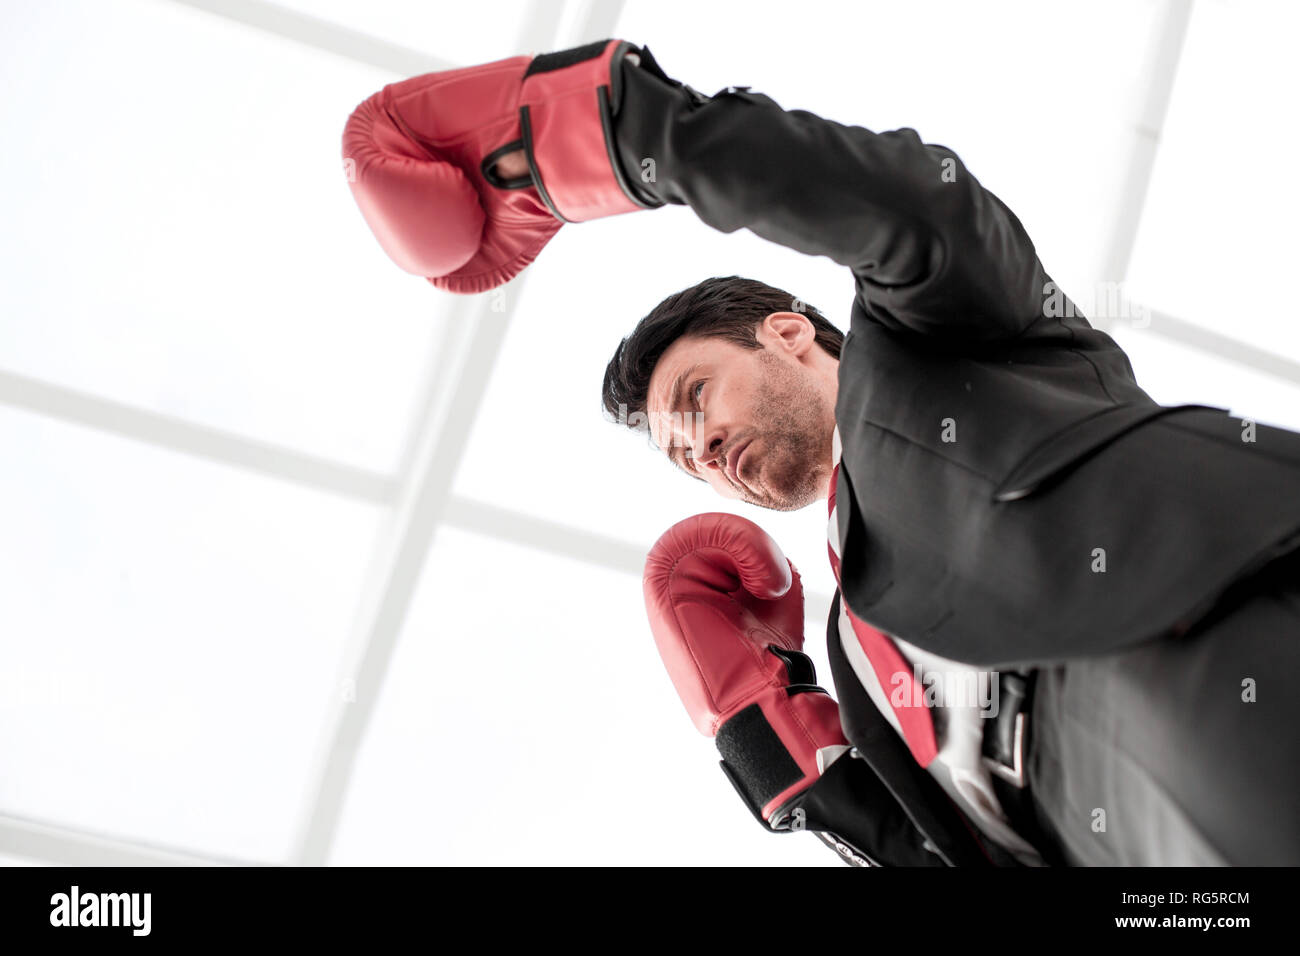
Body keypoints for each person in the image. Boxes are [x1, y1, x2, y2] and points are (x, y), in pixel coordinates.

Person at [342, 38, 1300, 866]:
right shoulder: (851, 649)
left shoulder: (932, 343)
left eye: (696, 398)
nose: (705, 448)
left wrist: (620, 132)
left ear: (789, 333)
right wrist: (783, 762)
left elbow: (918, 208)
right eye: (685, 457)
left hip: (1214, 646)